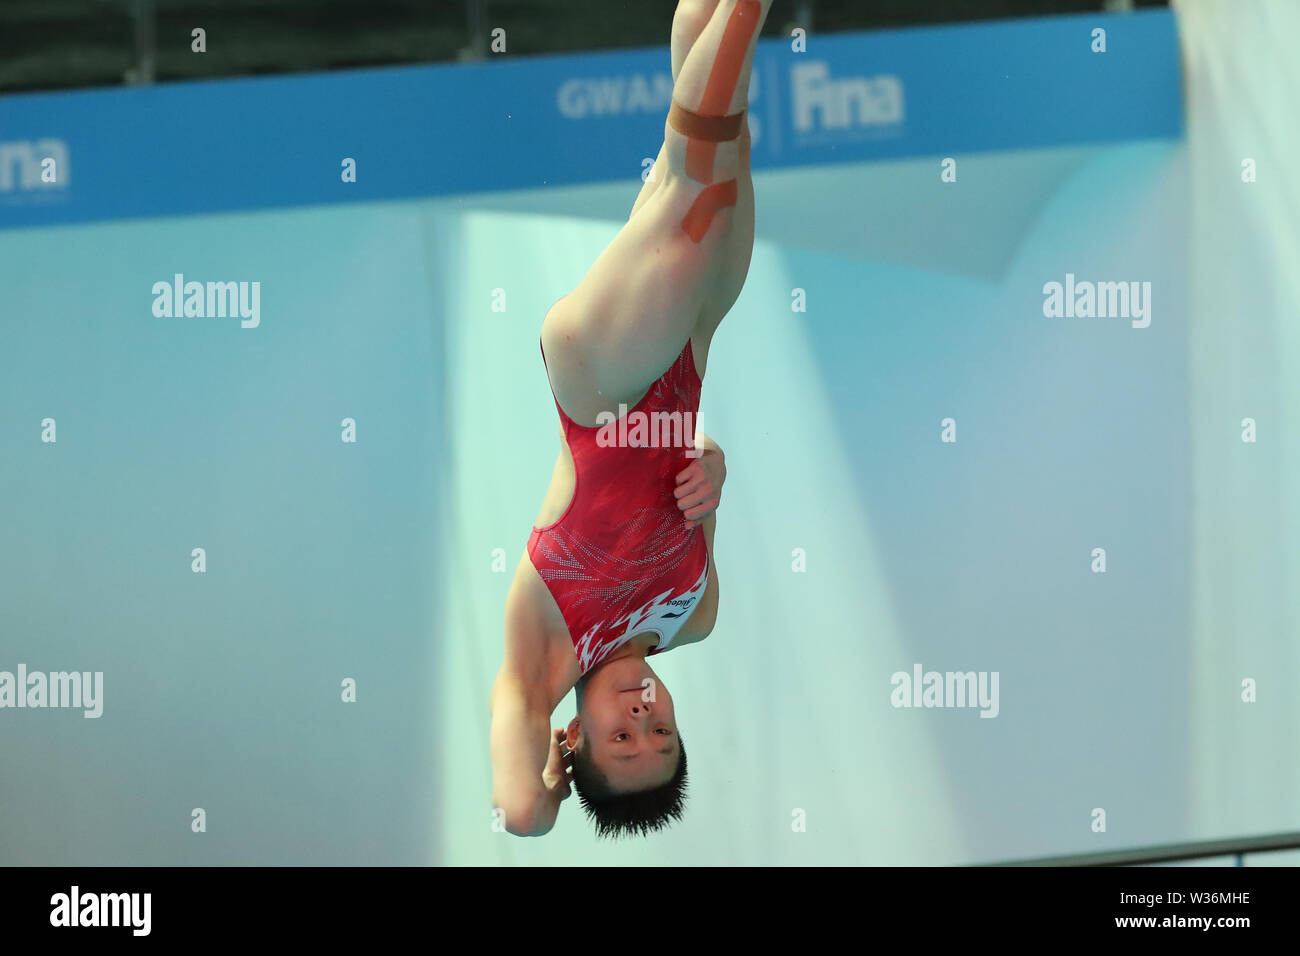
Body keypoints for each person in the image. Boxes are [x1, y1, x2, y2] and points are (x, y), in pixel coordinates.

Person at [490, 0, 772, 838]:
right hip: (685, 354)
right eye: (663, 732)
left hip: (602, 381)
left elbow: (522, 815)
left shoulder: (542, 659)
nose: (644, 713)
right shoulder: (696, 614)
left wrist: (544, 788)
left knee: (694, 181)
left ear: (573, 738)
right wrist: (715, 470)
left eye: (622, 737)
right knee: (723, 143)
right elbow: (696, 463)